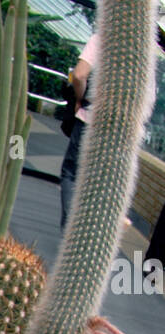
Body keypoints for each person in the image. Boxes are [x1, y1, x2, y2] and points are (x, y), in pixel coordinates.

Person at [60, 32, 98, 230]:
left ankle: (71, 231)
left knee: (71, 174)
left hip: (89, 119)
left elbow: (80, 74)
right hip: (118, 131)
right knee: (99, 183)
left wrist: (80, 99)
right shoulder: (142, 53)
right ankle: (91, 235)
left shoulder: (102, 38)